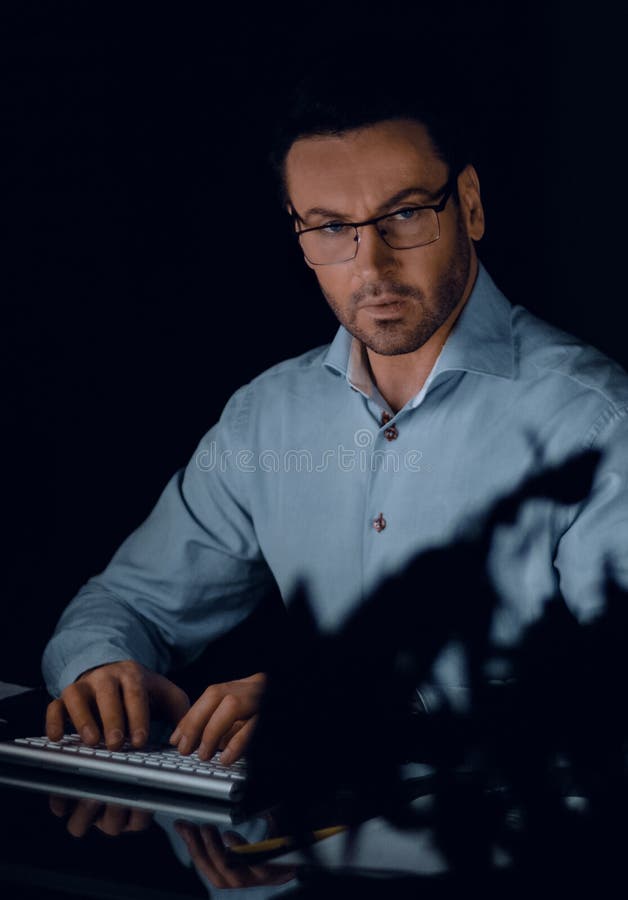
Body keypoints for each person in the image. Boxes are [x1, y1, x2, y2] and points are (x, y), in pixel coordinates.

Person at [42, 55, 628, 765]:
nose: (370, 265)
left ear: (470, 203)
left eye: (406, 214)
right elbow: (127, 604)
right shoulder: (269, 418)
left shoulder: (595, 420)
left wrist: (371, 708)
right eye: (329, 228)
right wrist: (101, 671)